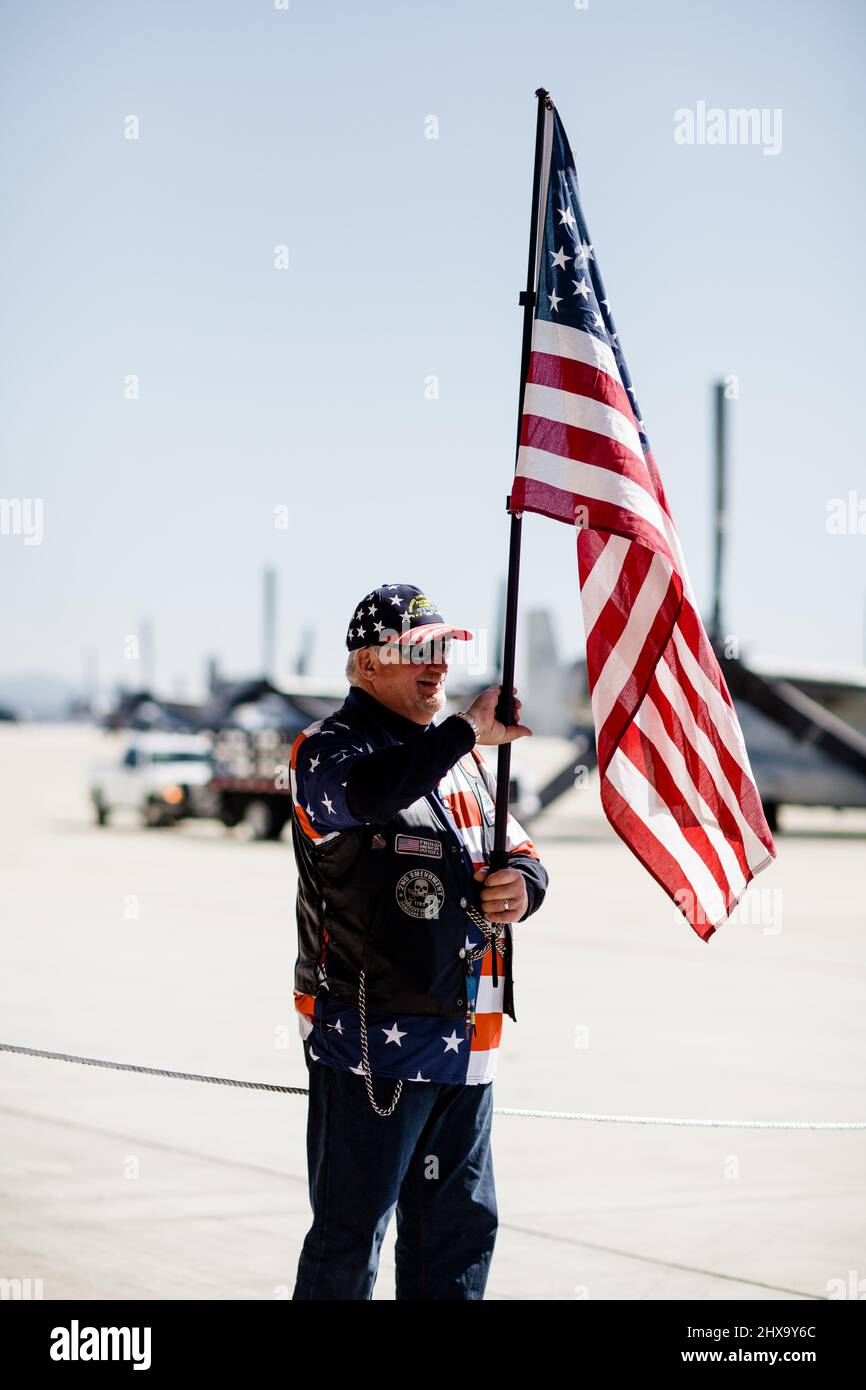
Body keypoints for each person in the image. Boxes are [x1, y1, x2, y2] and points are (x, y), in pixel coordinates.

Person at [289, 583, 549, 1300]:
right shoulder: (327, 751)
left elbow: (524, 852)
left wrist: (523, 885)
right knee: (350, 1240)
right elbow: (373, 793)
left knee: (457, 1237)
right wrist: (462, 732)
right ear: (367, 666)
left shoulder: (458, 760)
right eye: (417, 652)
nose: (437, 666)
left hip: (471, 1049)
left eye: (442, 651)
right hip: (374, 1046)